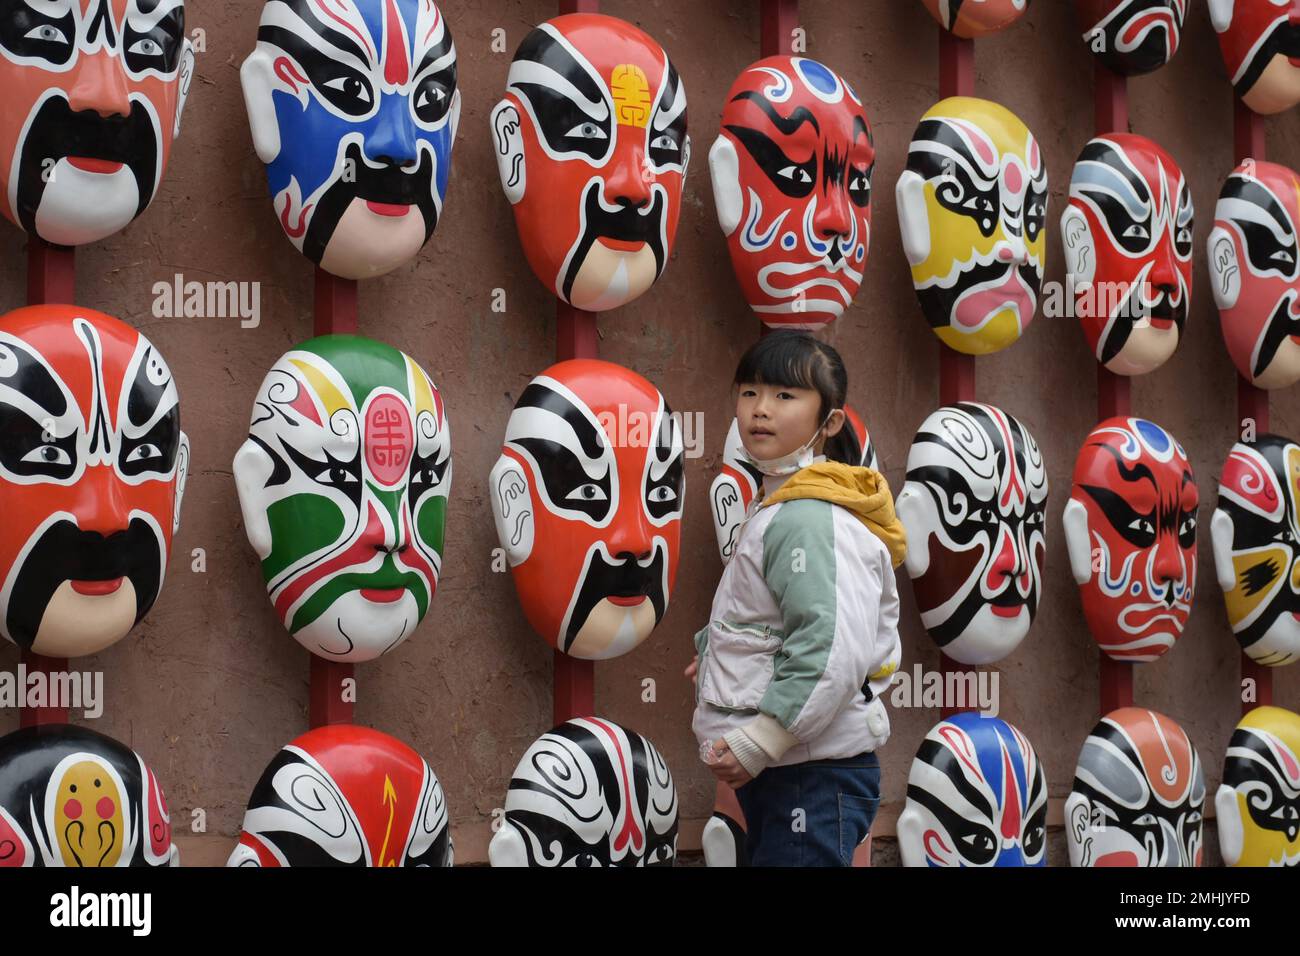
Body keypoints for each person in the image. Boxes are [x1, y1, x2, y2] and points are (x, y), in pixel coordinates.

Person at [687, 331, 907, 867]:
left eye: (786, 396)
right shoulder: (781, 505)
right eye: (749, 392)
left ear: (829, 422)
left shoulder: (808, 518)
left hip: (812, 777)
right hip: (795, 772)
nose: (761, 409)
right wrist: (719, 658)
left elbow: (829, 648)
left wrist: (761, 739)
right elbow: (774, 621)